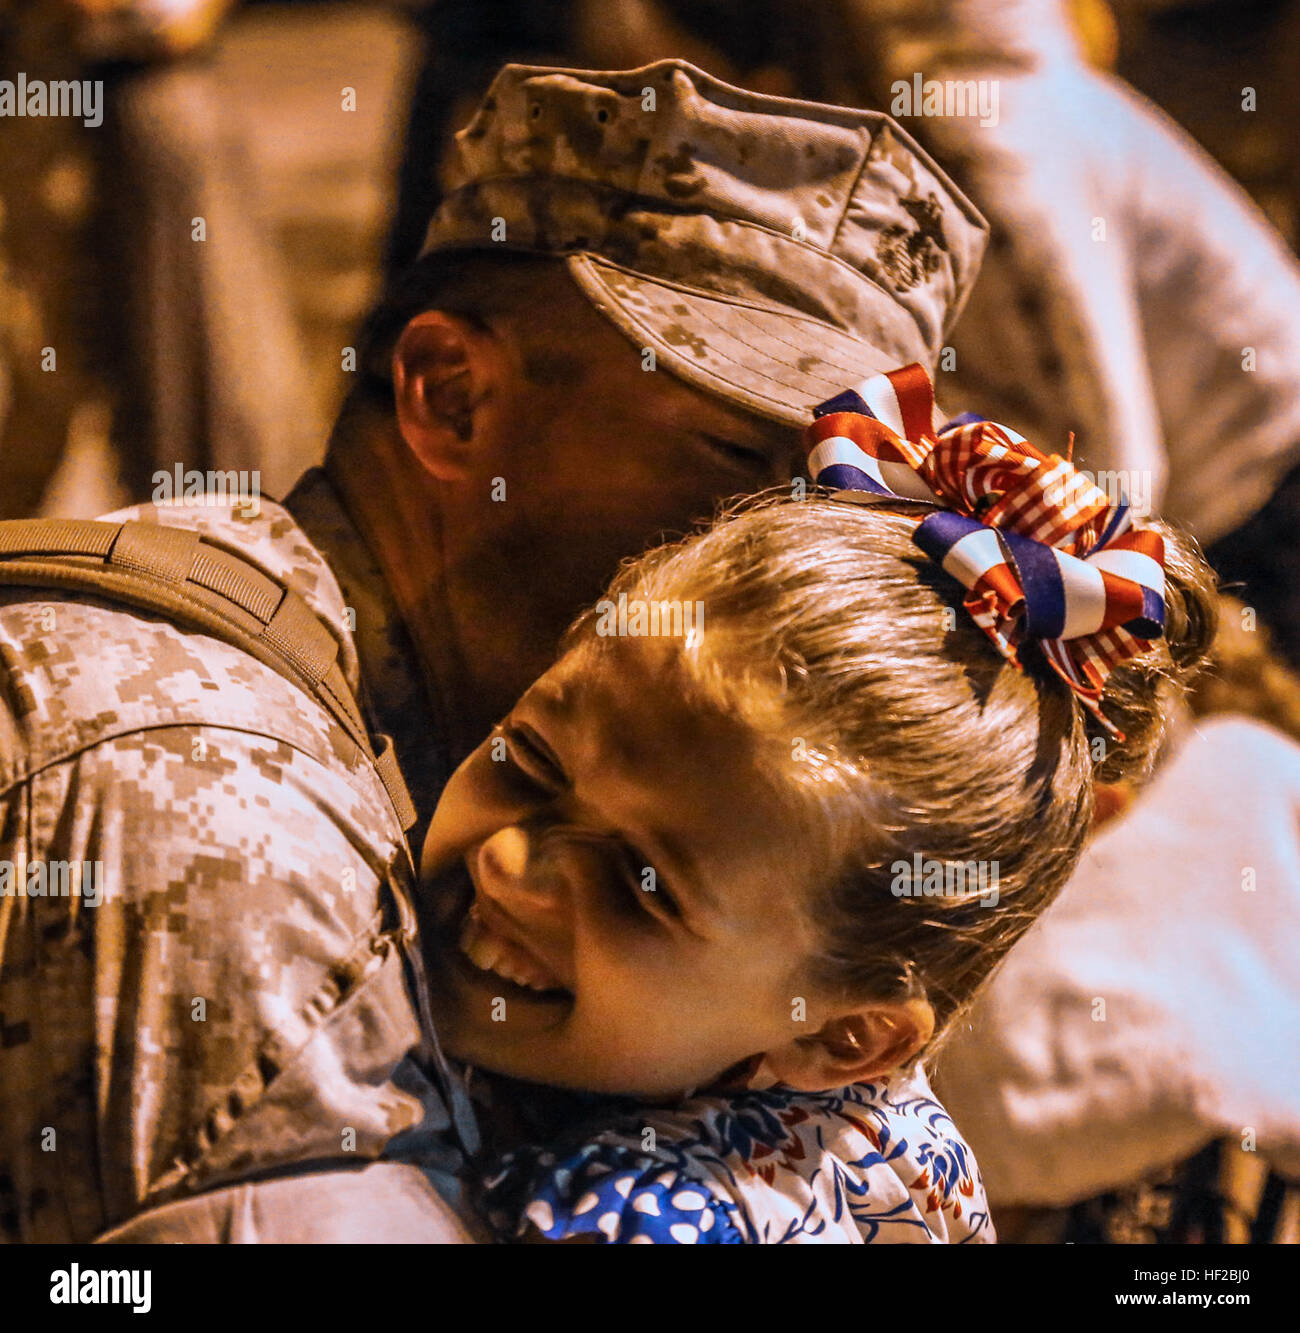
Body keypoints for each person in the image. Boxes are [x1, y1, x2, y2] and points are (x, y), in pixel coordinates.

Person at [0, 60, 988, 1241]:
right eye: (738, 466)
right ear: (451, 395)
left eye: (837, 496)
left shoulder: (422, 730)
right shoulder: (218, 796)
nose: (791, 553)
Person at [413, 362, 1216, 1242]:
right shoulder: (862, 1139)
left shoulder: (639, 1218)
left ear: (843, 1039)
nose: (507, 862)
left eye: (645, 884)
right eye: (530, 761)